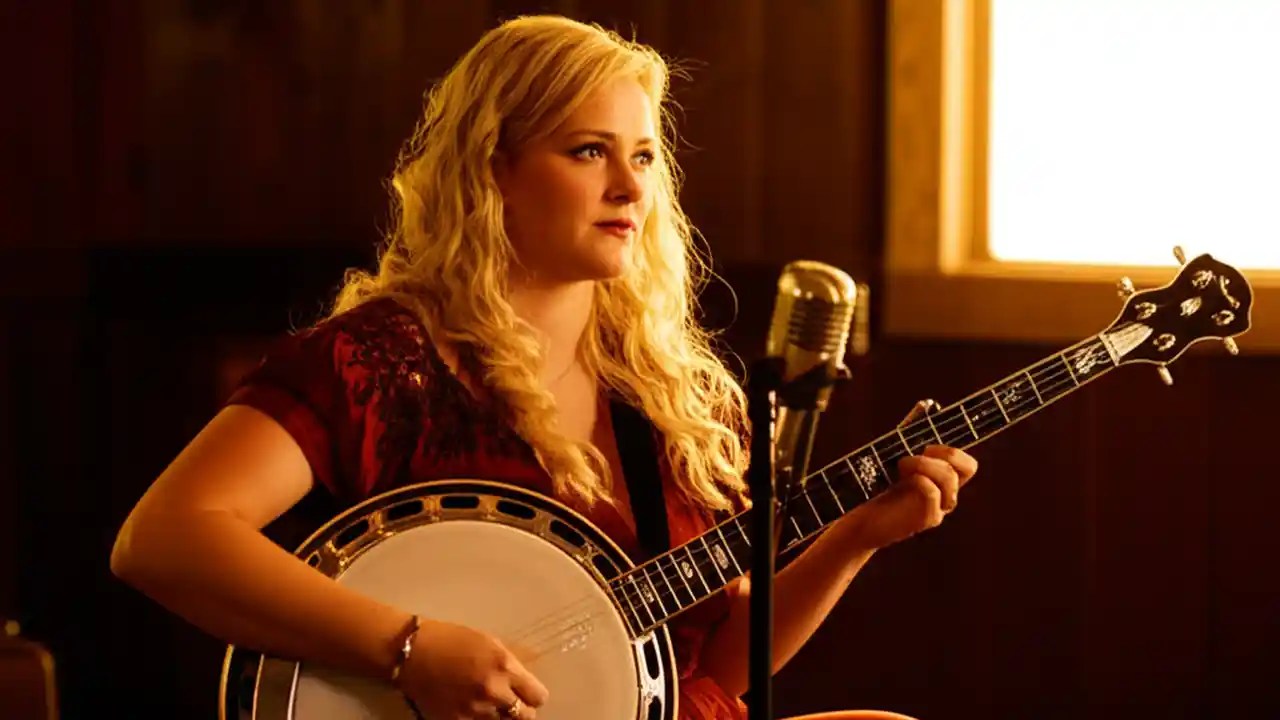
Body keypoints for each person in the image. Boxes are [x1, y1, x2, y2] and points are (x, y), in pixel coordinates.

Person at [110, 14, 977, 720]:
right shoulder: (384, 361)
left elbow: (716, 665)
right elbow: (166, 537)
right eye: (588, 151)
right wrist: (408, 647)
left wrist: (860, 534)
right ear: (494, 172)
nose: (632, 189)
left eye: (643, 157)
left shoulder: (671, 393)